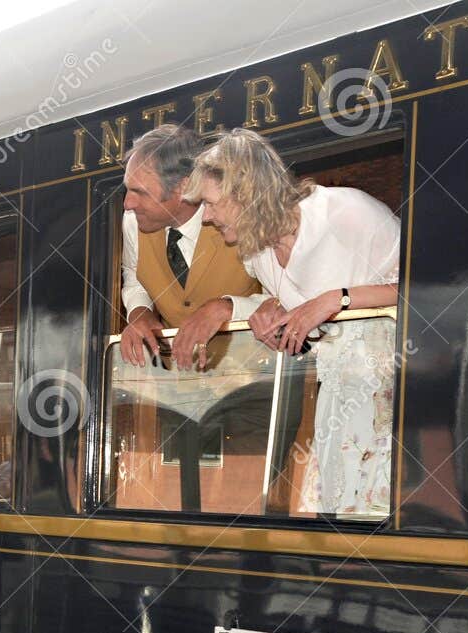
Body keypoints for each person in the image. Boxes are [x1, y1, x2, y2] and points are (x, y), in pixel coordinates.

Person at [172, 128, 400, 518]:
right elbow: (292, 303)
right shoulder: (256, 251)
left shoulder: (346, 212)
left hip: (399, 403)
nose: (205, 217)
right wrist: (260, 310)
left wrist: (336, 300)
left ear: (246, 193)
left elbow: (434, 289)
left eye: (210, 204)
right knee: (342, 534)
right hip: (339, 401)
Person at [118, 124, 261, 366]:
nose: (127, 203)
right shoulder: (133, 221)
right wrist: (140, 313)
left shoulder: (237, 218)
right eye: (127, 189)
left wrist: (226, 307)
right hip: (178, 387)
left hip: (257, 376)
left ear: (183, 187)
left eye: (139, 192)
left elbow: (283, 300)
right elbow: (134, 277)